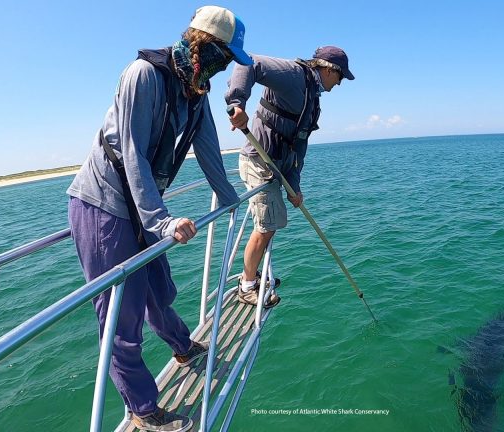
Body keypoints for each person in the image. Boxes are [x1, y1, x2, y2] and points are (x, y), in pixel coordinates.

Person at [66, 6, 252, 432]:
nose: (226, 69)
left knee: (159, 289)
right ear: (204, 45)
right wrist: (163, 221)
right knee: (122, 317)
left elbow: (207, 149)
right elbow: (131, 155)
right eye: (225, 57)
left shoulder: (197, 89)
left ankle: (182, 346)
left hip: (144, 207)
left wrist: (230, 199)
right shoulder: (143, 75)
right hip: (104, 207)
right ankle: (144, 410)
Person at [226, 46, 354, 308]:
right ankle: (247, 285)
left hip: (277, 169)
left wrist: (294, 186)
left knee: (270, 224)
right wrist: (237, 103)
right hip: (258, 162)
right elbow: (248, 63)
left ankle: (252, 273)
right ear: (329, 69)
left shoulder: (312, 98)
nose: (339, 84)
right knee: (267, 226)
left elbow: (299, 146)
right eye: (340, 77)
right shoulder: (294, 75)